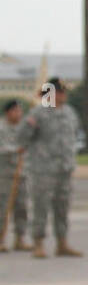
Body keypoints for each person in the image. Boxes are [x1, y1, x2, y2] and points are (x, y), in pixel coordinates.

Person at [16, 77, 82, 259]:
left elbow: (74, 135)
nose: (63, 95)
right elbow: (21, 138)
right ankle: (38, 243)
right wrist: (29, 125)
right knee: (41, 207)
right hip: (42, 169)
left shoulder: (70, 113)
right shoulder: (38, 113)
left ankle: (62, 243)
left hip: (64, 168)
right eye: (59, 92)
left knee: (62, 206)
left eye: (63, 92)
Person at [0, 99, 32, 252]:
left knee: (21, 207)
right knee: (3, 208)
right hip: (4, 175)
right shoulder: (1, 128)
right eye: (16, 111)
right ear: (8, 112)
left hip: (21, 174)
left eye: (21, 111)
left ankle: (20, 238)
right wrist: (15, 150)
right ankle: (1, 239)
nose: (19, 114)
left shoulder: (22, 128)